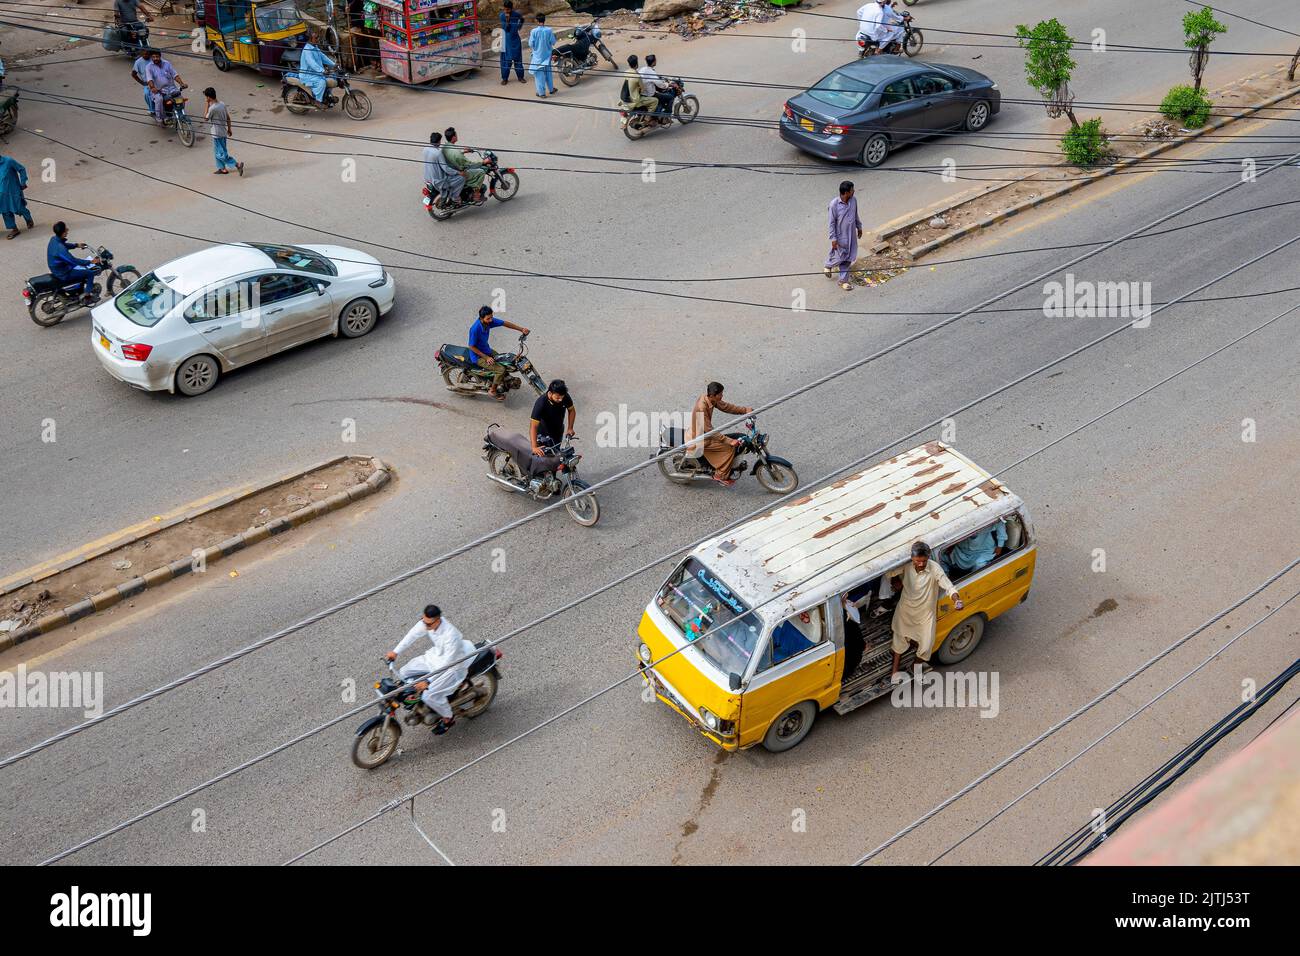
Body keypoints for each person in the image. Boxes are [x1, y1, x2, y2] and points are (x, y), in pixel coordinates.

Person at [385, 604, 477, 735]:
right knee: (405, 672)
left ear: (438, 620)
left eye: (428, 624)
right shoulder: (428, 623)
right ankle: (414, 696)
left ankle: (448, 718)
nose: (425, 626)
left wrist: (428, 682)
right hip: (436, 657)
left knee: (430, 695)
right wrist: (395, 652)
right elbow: (412, 634)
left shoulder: (451, 635)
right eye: (423, 621)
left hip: (453, 666)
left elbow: (447, 664)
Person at [888, 541, 963, 679]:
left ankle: (914, 667)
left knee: (927, 646)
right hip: (905, 611)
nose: (921, 564)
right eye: (918, 561)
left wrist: (956, 600)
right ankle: (894, 672)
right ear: (912, 558)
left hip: (926, 614)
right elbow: (889, 572)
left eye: (924, 561)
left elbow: (949, 587)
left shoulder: (935, 569)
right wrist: (894, 581)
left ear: (928, 558)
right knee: (898, 642)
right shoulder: (906, 566)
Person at [686, 382, 754, 486]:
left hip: (705, 433)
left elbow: (726, 407)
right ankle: (720, 475)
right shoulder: (702, 408)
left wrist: (745, 410)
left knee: (739, 436)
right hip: (701, 439)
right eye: (720, 394)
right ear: (713, 395)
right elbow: (710, 431)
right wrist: (729, 441)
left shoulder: (710, 399)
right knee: (729, 448)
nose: (722, 396)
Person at [467, 305, 529, 401]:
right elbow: (471, 346)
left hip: (487, 350)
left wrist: (521, 329)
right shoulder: (475, 328)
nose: (491, 320)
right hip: (478, 356)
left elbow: (504, 323)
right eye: (488, 318)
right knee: (500, 369)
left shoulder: (488, 322)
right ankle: (492, 390)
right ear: (481, 318)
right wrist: (486, 358)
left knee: (505, 359)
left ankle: (502, 380)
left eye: (492, 317)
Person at [46, 222, 101, 302]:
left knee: (82, 269)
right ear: (62, 233)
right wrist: (90, 261)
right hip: (63, 272)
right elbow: (73, 260)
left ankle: (80, 289)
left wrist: (76, 245)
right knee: (89, 273)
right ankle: (87, 296)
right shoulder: (60, 249)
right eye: (66, 229)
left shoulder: (54, 239)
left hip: (57, 267)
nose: (68, 230)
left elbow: (64, 245)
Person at [826, 180, 862, 292]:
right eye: (852, 190)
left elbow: (856, 215)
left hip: (851, 235)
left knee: (848, 258)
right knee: (841, 256)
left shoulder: (853, 200)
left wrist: (859, 226)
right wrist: (833, 238)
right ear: (846, 192)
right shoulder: (834, 205)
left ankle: (843, 281)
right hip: (840, 236)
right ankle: (828, 265)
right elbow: (831, 223)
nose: (854, 191)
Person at [203, 87, 244, 177]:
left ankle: (237, 164)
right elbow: (228, 118)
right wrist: (229, 129)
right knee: (218, 151)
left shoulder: (212, 108)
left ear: (209, 97)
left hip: (217, 134)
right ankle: (222, 168)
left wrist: (207, 105)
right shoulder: (222, 104)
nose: (206, 99)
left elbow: (205, 118)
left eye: (206, 97)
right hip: (223, 132)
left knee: (220, 153)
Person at [530, 379, 575, 456]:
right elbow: (533, 426)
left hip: (558, 431)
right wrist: (534, 447)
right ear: (550, 393)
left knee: (556, 453)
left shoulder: (564, 397)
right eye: (557, 398)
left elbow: (572, 411)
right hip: (543, 434)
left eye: (562, 397)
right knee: (543, 457)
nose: (560, 400)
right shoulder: (541, 403)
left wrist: (570, 428)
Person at [441, 127, 485, 203]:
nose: (457, 136)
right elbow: (469, 164)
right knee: (481, 172)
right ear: (454, 137)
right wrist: (483, 162)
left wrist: (464, 152)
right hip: (458, 172)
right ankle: (476, 195)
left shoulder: (445, 147)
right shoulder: (456, 153)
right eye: (456, 135)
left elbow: (453, 156)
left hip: (450, 168)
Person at [294, 29, 338, 104]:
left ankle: (326, 95)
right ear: (310, 39)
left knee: (332, 77)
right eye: (316, 38)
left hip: (315, 73)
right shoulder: (307, 50)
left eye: (318, 37)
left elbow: (323, 57)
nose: (318, 39)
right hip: (308, 75)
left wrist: (333, 64)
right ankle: (318, 101)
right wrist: (322, 70)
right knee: (322, 82)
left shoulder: (315, 47)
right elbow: (312, 63)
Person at [144, 49, 185, 125]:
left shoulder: (167, 63)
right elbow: (149, 79)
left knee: (180, 98)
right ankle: (161, 119)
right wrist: (153, 87)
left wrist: (182, 83)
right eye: (153, 57)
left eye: (157, 56)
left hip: (171, 88)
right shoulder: (148, 67)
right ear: (151, 57)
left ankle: (181, 113)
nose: (155, 58)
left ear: (160, 56)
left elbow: (174, 75)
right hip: (158, 90)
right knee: (159, 99)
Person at [0, 153, 33, 240]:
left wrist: (23, 182)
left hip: (13, 192)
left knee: (19, 208)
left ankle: (28, 218)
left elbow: (21, 169)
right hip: (2, 196)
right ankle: (14, 229)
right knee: (5, 212)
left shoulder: (8, 161)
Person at [423, 131, 461, 204]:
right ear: (439, 141)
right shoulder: (438, 153)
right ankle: (455, 197)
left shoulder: (425, 149)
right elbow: (446, 168)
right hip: (438, 180)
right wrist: (458, 172)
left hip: (427, 178)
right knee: (461, 178)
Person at [527, 14, 557, 98]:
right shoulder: (549, 30)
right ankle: (551, 89)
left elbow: (530, 44)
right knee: (548, 74)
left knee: (539, 76)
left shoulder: (533, 31)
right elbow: (553, 42)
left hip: (537, 57)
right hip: (547, 56)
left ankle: (541, 93)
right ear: (544, 20)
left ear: (537, 21)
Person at [499, 0, 525, 85]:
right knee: (507, 61)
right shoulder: (502, 16)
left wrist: (519, 27)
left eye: (508, 9)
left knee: (518, 59)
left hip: (515, 40)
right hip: (506, 41)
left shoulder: (516, 14)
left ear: (511, 8)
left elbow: (522, 19)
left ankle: (520, 77)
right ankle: (505, 78)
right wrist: (507, 20)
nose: (506, 11)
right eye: (505, 9)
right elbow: (505, 29)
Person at [130, 46, 154, 116]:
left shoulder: (154, 59)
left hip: (158, 81)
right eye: (144, 54)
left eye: (148, 54)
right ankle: (151, 109)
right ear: (141, 54)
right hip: (147, 83)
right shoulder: (138, 62)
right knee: (147, 94)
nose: (146, 55)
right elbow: (133, 74)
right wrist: (142, 83)